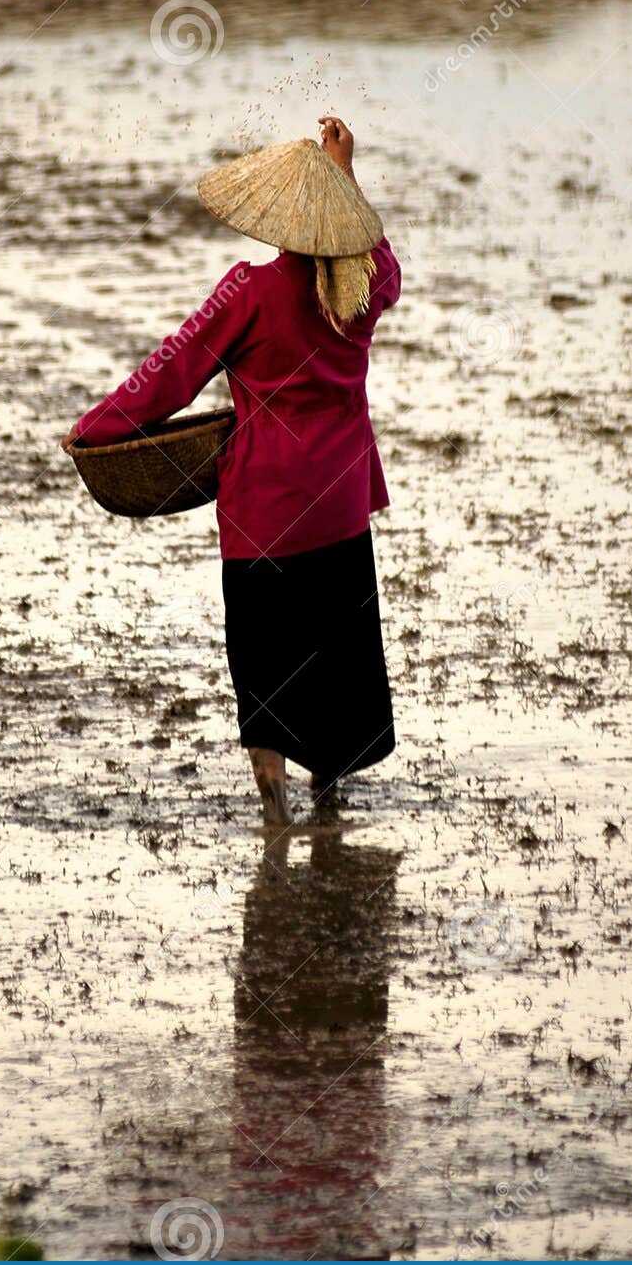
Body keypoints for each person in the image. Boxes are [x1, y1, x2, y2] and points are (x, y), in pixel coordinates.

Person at [62, 116, 401, 826]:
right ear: (341, 214)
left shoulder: (249, 291)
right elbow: (373, 254)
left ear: (277, 217)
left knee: (270, 669)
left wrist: (94, 429)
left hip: (268, 513)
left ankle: (275, 812)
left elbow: (170, 374)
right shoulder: (362, 289)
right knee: (332, 657)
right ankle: (327, 799)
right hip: (339, 503)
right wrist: (344, 171)